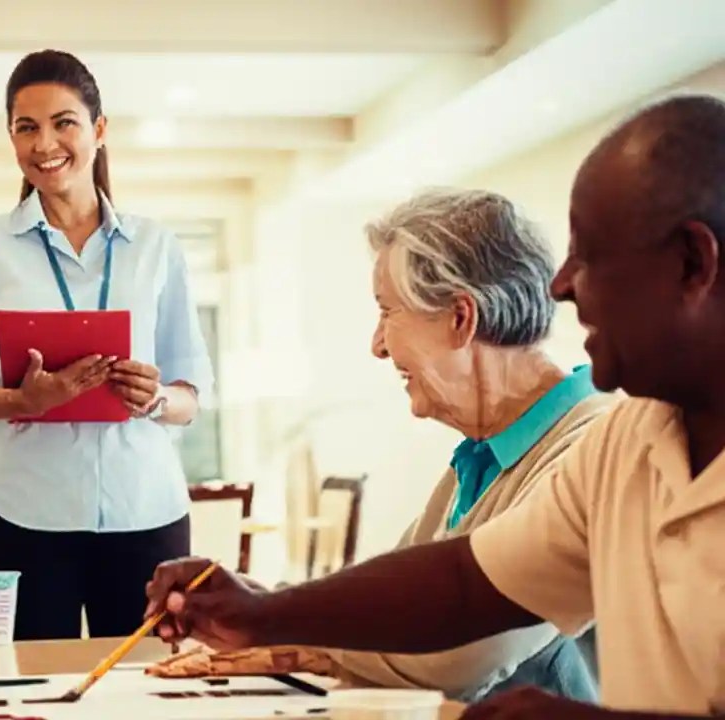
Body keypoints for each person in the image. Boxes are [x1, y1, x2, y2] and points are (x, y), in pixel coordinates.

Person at [145, 94, 725, 720]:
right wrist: (260, 613)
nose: (560, 286)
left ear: (692, 263)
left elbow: (461, 653)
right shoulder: (630, 442)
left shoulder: (594, 434)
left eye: (590, 254)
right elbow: (464, 585)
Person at [150, 189, 613, 702]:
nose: (377, 344)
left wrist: (271, 626)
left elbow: (454, 652)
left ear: (461, 317)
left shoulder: (590, 445)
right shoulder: (479, 455)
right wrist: (253, 603)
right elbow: (392, 610)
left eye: (387, 311)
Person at [0, 49, 215, 640]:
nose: (44, 142)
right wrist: (19, 403)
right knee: (21, 687)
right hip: (22, 516)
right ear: (10, 138)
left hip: (147, 514)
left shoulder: (156, 245)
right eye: (25, 127)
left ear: (99, 130)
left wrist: (157, 397)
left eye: (64, 122)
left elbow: (192, 394)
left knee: (143, 690)